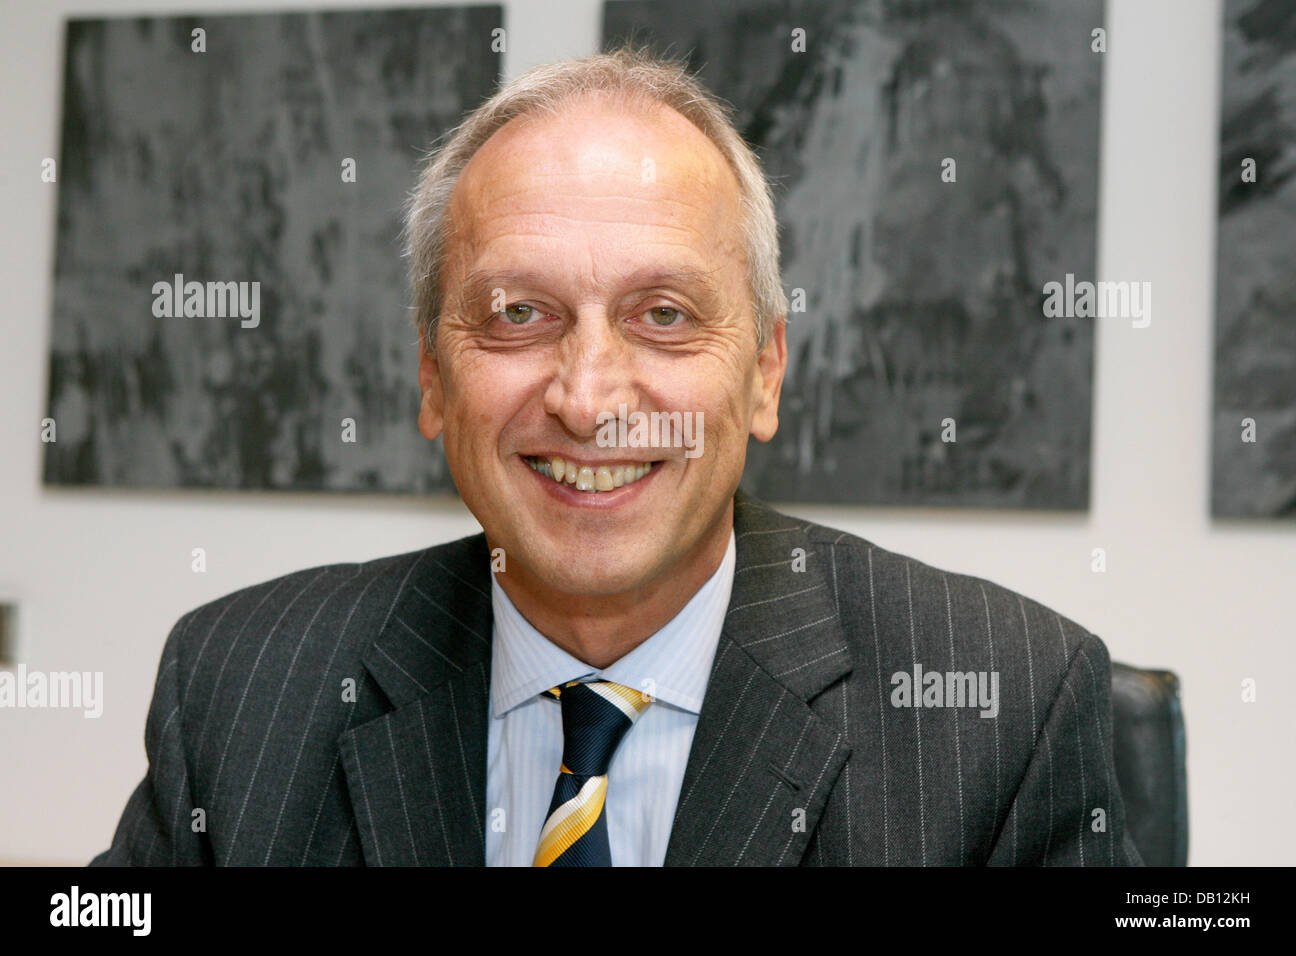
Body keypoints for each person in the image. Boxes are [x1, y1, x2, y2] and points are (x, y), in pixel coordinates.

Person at [92, 47, 1141, 867]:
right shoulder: (241, 686)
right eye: (517, 313)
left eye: (663, 314)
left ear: (765, 372)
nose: (588, 398)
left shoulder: (1002, 711)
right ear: (430, 378)